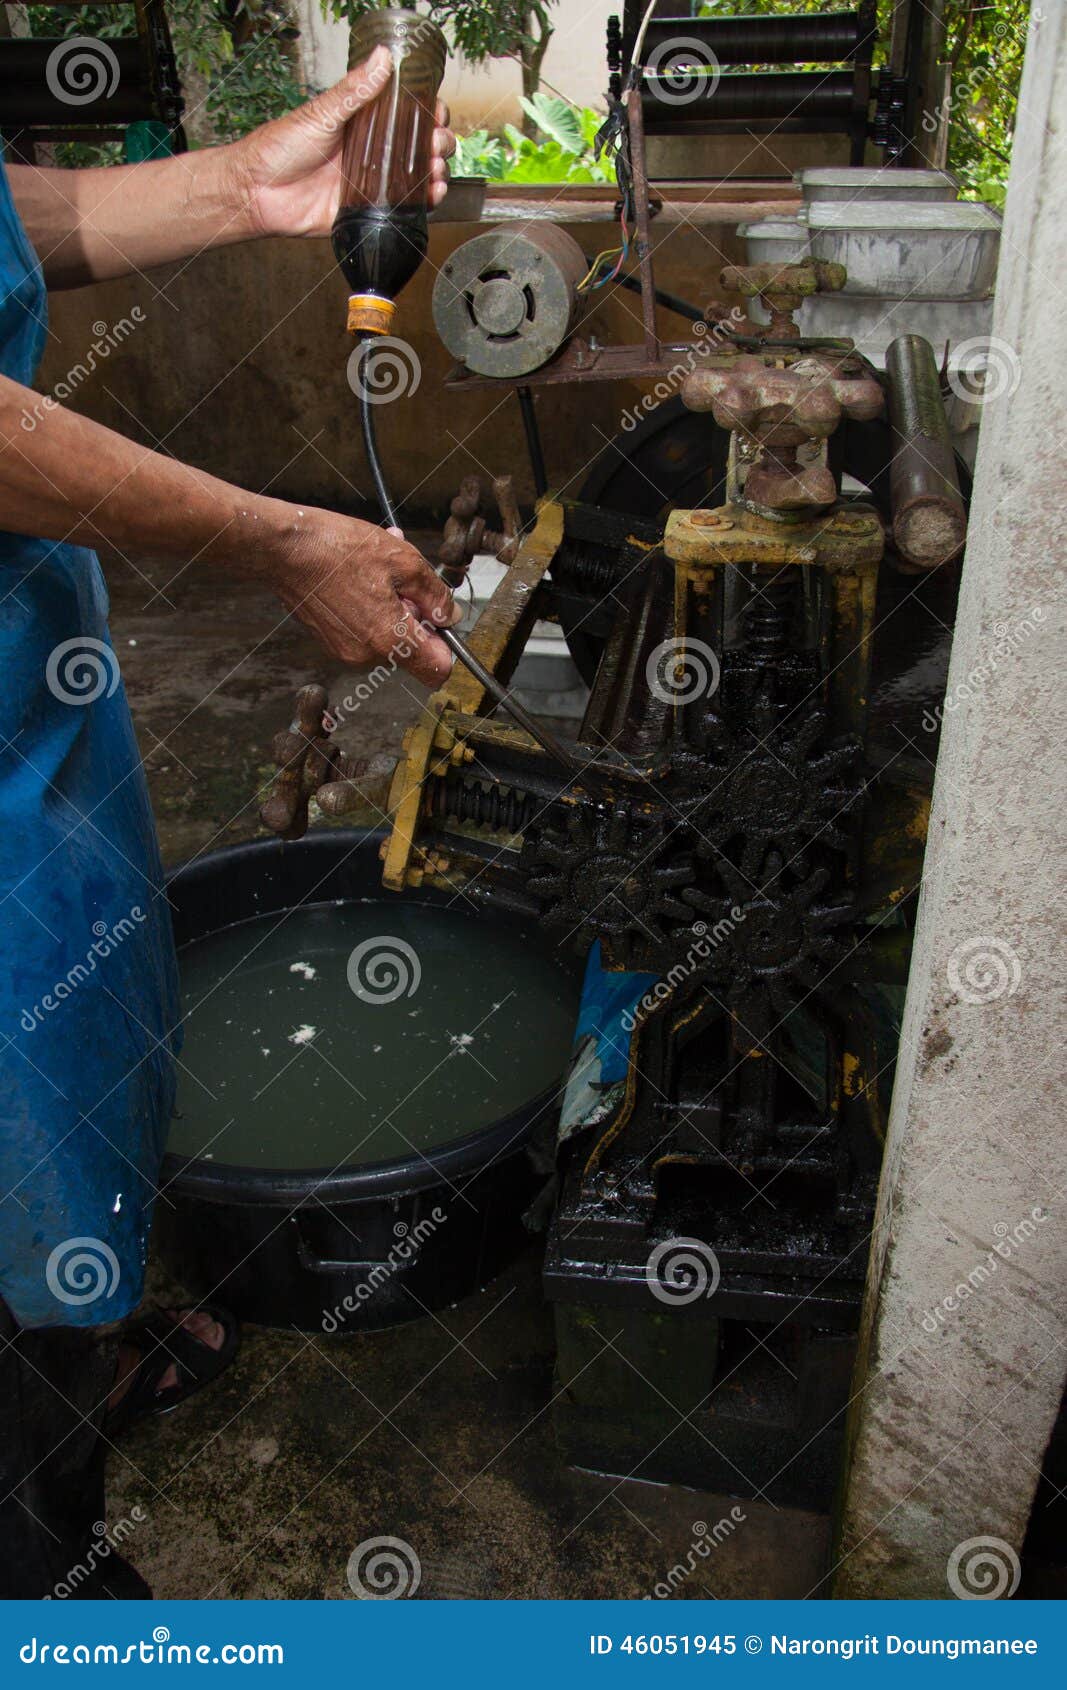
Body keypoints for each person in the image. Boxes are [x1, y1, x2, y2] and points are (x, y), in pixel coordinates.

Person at [0, 47, 456, 1599]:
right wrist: (281, 544)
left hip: (22, 682)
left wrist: (237, 187)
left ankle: (64, 1378)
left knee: (63, 1070)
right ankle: (43, 1559)